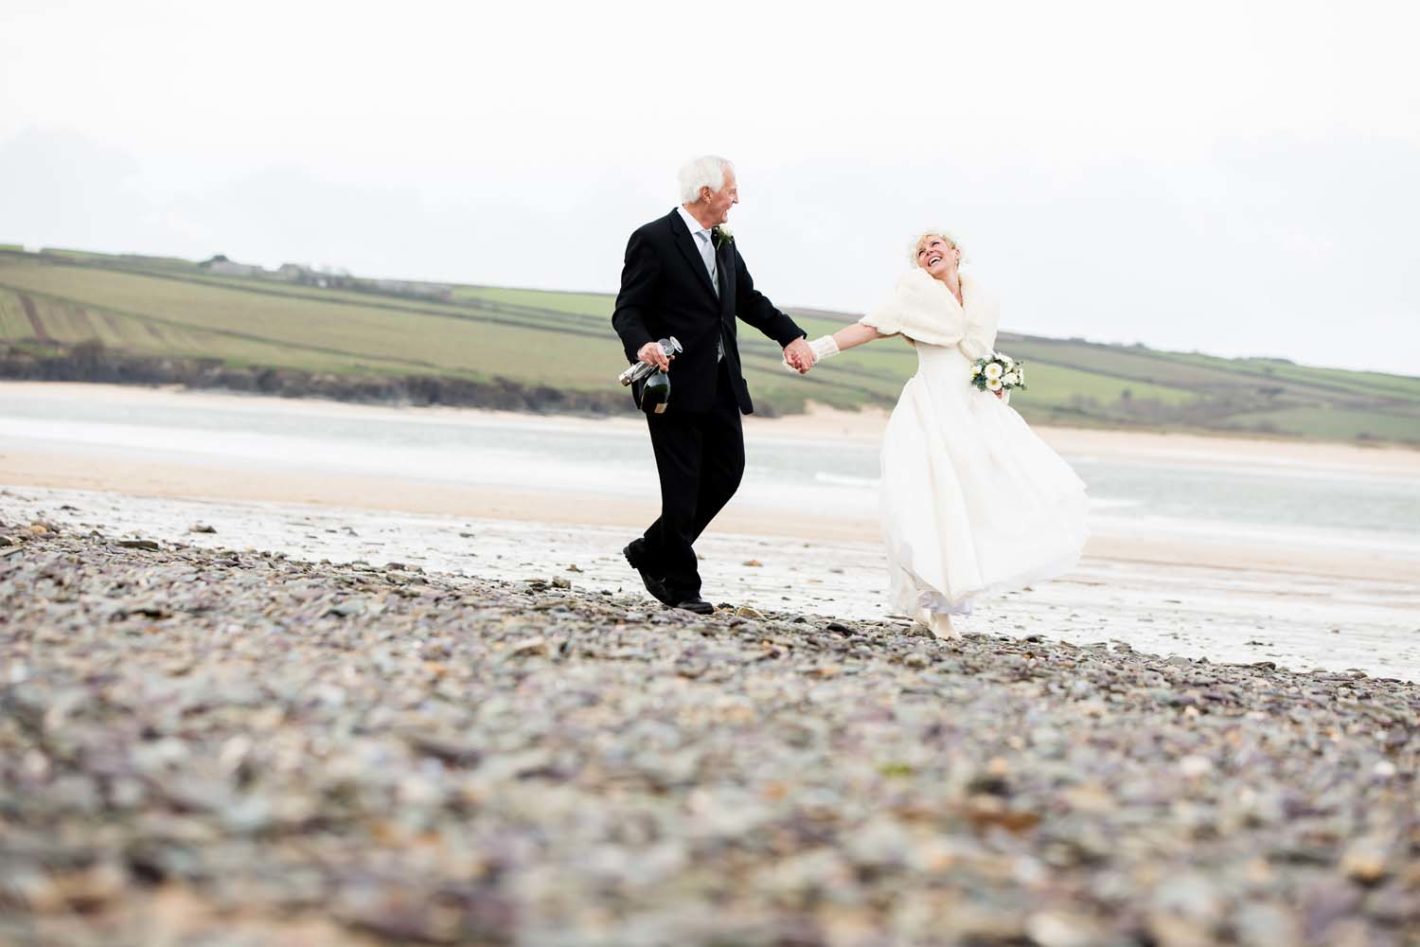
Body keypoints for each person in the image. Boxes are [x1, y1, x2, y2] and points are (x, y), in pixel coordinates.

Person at [797, 231, 1088, 636]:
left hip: (973, 412)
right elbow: (868, 327)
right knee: (931, 504)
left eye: (936, 244)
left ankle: (946, 597)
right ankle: (939, 609)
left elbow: (980, 354)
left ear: (955, 252)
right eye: (920, 250)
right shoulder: (911, 298)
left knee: (976, 501)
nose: (928, 251)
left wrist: (997, 380)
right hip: (929, 410)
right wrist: (815, 350)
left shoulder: (983, 300)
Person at [612, 155, 816, 614]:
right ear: (707, 193)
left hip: (721, 383)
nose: (736, 199)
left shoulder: (723, 243)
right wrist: (643, 345)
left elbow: (748, 299)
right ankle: (682, 585)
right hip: (671, 384)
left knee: (727, 473)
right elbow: (628, 310)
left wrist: (790, 336)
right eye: (731, 190)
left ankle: (651, 549)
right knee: (681, 486)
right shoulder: (652, 239)